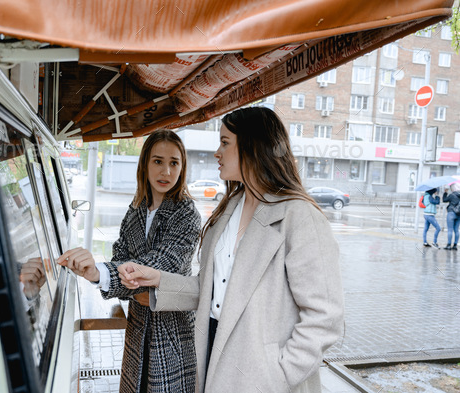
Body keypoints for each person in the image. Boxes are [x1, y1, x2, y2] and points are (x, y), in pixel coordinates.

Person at [118, 107, 344, 393]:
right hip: (212, 352)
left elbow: (325, 316)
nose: (217, 152)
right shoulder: (230, 208)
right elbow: (211, 291)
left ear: (252, 146)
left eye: (225, 142)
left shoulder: (299, 216)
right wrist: (159, 280)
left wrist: (278, 375)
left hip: (262, 376)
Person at [58, 130, 201, 393]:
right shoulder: (136, 209)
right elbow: (122, 261)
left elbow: (161, 266)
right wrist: (135, 291)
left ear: (182, 167)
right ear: (145, 164)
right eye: (158, 161)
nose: (166, 172)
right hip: (137, 329)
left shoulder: (186, 213)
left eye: (174, 163)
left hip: (171, 333)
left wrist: (98, 272)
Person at [442, 183, 460, 250]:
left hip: (451, 213)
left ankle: (449, 245)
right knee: (456, 230)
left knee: (450, 230)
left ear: (452, 189)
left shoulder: (452, 195)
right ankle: (455, 245)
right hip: (459, 214)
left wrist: (445, 192)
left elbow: (444, 200)